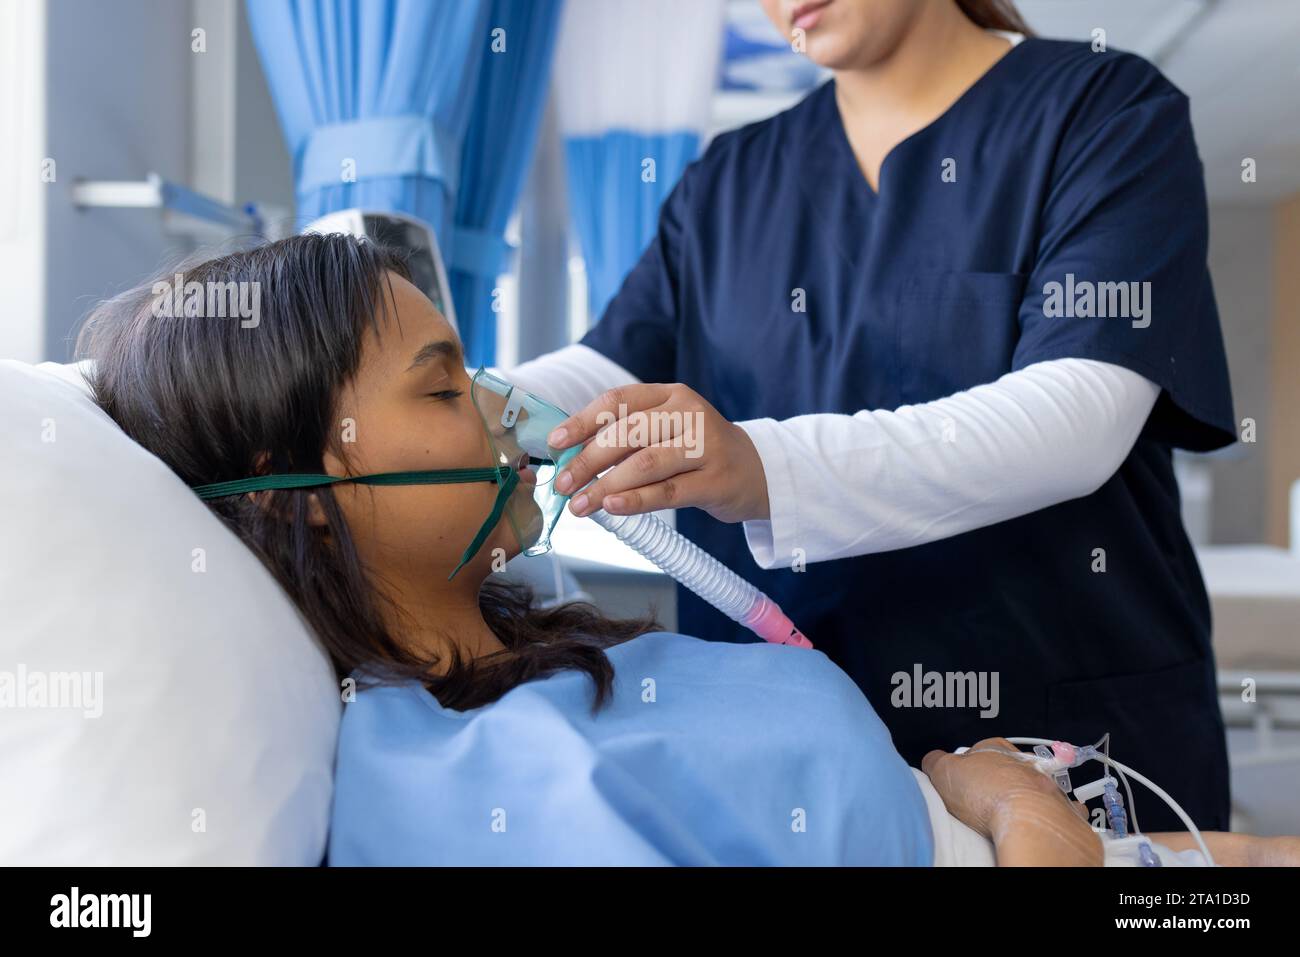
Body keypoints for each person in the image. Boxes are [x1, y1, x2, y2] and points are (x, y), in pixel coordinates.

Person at [77, 235, 1293, 867]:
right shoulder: (467, 794)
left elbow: (1080, 414)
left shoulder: (532, 657)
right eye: (446, 385)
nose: (507, 404)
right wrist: (1027, 821)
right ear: (304, 496)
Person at [505, 0, 1236, 832]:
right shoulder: (729, 179)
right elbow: (610, 368)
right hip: (796, 757)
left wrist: (761, 466)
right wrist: (475, 396)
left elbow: (1081, 415)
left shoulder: (1105, 111)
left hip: (1061, 718)